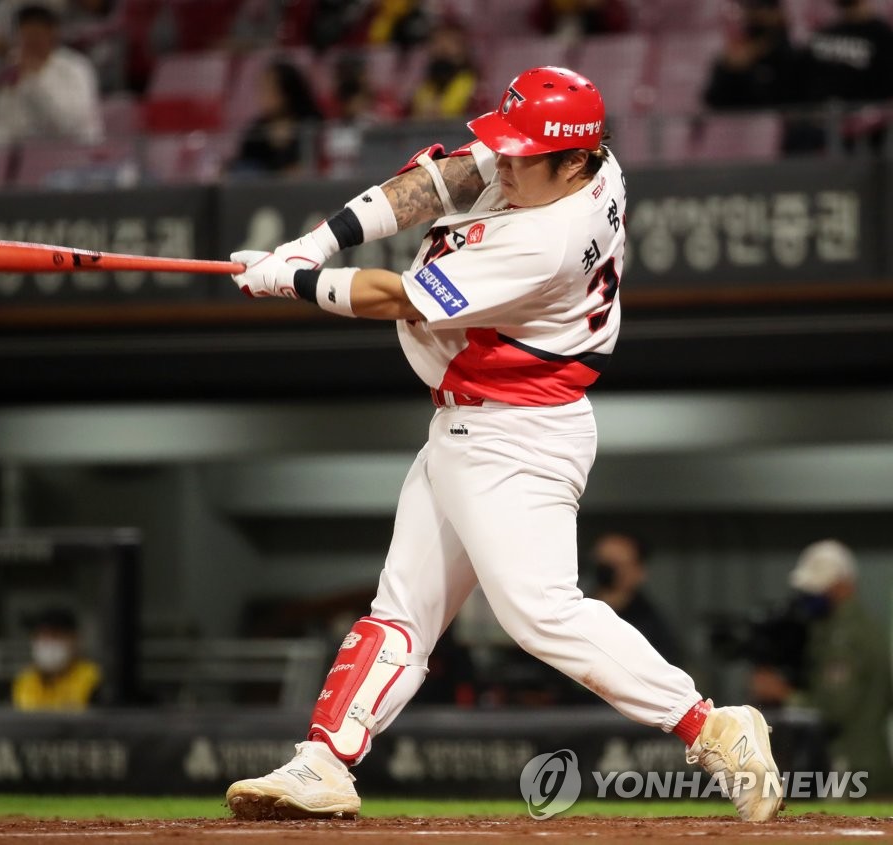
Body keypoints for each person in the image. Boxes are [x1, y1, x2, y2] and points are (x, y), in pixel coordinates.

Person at [224, 65, 782, 823]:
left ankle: (713, 726)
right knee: (404, 607)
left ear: (575, 160)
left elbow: (402, 300)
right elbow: (446, 180)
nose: (506, 165)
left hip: (515, 432)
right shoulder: (577, 159)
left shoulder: (548, 240)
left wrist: (295, 282)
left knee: (539, 612)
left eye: (526, 157)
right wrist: (315, 241)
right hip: (473, 421)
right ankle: (324, 760)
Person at [751, 540, 893, 793]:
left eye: (821, 588)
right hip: (852, 761)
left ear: (843, 585)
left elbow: (835, 709)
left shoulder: (847, 636)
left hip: (853, 764)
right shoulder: (835, 628)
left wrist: (783, 693)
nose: (812, 596)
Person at [702, 0, 821, 154]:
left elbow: (796, 97)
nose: (758, 16)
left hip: (778, 142)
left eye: (763, 10)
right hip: (732, 139)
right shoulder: (731, 59)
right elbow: (713, 99)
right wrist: (733, 69)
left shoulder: (791, 56)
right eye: (752, 10)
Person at [0, 3, 103, 145]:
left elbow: (66, 124)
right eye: (25, 36)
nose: (30, 42)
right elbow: (3, 124)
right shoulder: (13, 67)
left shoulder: (76, 68)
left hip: (72, 153)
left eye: (36, 35)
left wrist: (33, 80)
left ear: (53, 33)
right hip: (24, 156)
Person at [805, 0, 893, 151]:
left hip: (872, 130)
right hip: (828, 126)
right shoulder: (827, 33)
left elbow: (886, 84)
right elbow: (808, 80)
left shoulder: (882, 35)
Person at [589, 532, 683, 667]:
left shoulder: (650, 626)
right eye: (602, 562)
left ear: (638, 571)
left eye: (617, 564)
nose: (606, 570)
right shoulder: (577, 610)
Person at [230, 60, 323, 176]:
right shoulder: (256, 131)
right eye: (261, 89)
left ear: (288, 91)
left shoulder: (312, 125)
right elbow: (244, 166)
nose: (263, 96)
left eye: (270, 89)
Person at [11, 607, 102, 711]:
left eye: (55, 635)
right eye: (41, 636)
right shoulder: (25, 680)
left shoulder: (92, 680)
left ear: (75, 639)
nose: (47, 642)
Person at [407, 23, 477, 120]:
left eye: (450, 43)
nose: (442, 48)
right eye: (437, 43)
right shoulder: (424, 87)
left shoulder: (474, 88)